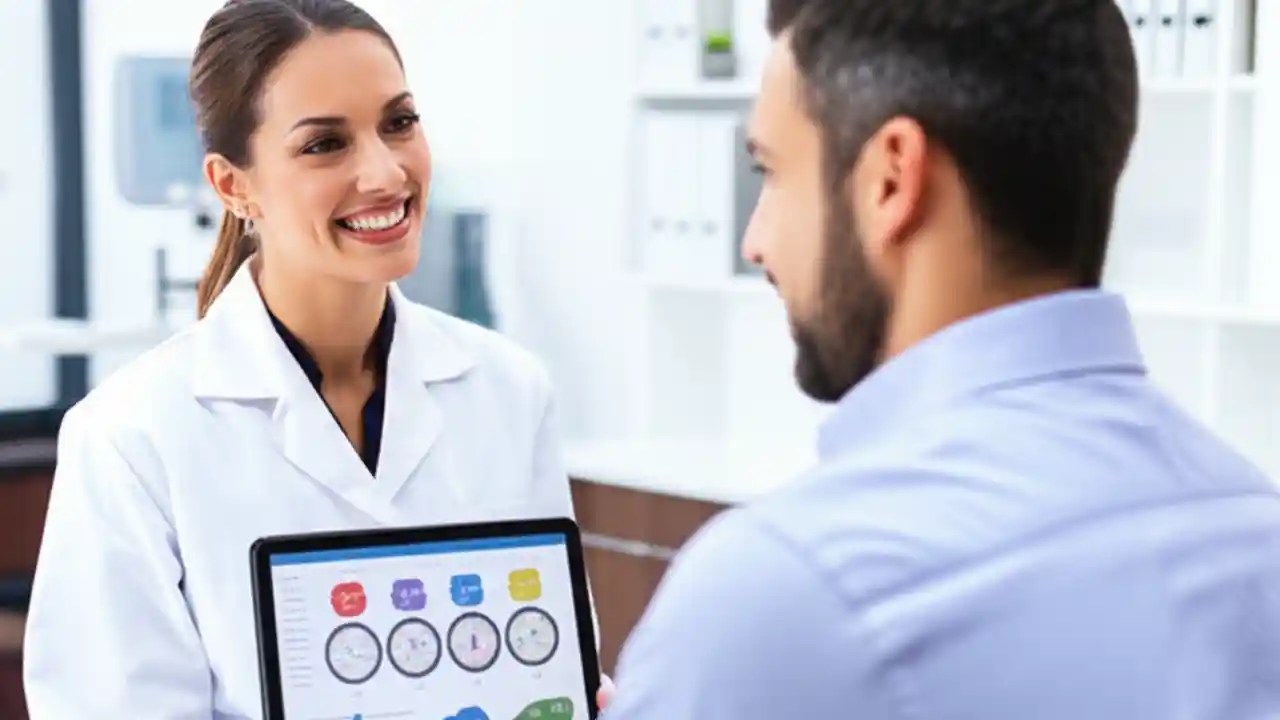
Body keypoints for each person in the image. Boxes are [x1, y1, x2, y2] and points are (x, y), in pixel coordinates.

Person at [601, 1, 1280, 717]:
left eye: (769, 171)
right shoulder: (1252, 523)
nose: (754, 241)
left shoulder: (781, 592)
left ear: (892, 179)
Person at [22, 1, 591, 717]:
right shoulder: (131, 436)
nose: (384, 172)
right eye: (325, 144)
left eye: (399, 123)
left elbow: (547, 663)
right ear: (233, 186)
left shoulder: (509, 391)